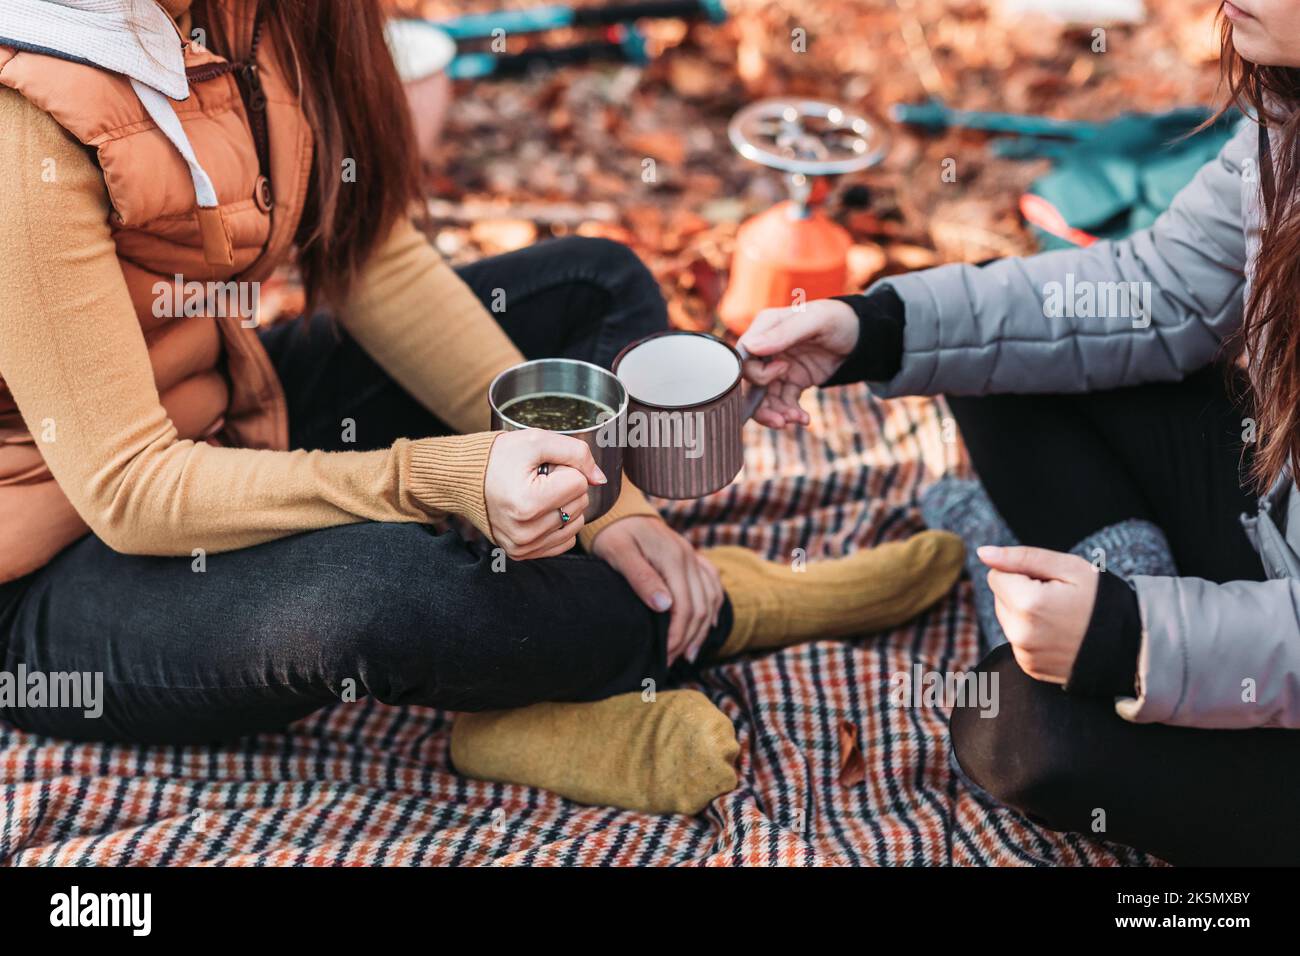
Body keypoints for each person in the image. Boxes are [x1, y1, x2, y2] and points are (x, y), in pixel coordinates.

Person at [0, 0, 964, 816]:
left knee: (594, 286)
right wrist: (446, 478)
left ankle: (536, 665)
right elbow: (130, 490)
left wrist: (611, 505)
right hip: (58, 564)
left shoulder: (267, 15)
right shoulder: (27, 112)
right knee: (390, 591)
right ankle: (710, 608)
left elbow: (370, 255)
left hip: (232, 414)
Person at [737, 1, 1300, 865]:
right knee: (983, 353)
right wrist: (872, 331)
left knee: (1019, 733)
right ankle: (1117, 588)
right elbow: (1159, 291)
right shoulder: (1289, 114)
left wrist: (1131, 637)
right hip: (1273, 527)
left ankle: (1074, 607)